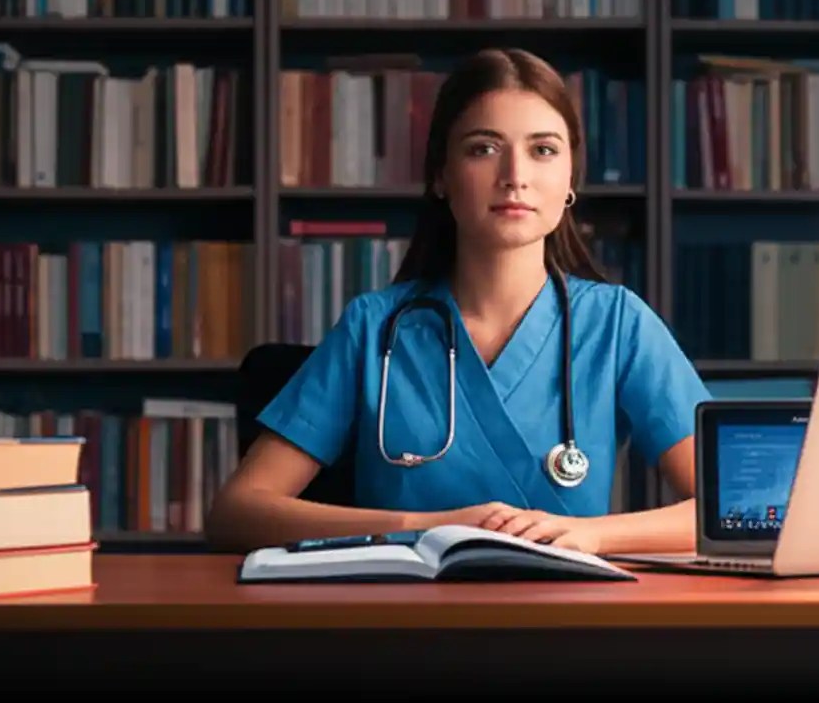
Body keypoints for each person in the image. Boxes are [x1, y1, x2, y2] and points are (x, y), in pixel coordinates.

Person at [206, 48, 711, 555]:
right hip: (402, 620)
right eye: (483, 149)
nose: (515, 175)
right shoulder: (374, 327)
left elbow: (733, 508)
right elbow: (238, 512)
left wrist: (592, 534)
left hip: (564, 621)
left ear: (570, 179)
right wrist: (426, 526)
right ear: (440, 177)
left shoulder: (617, 325)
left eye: (543, 150)